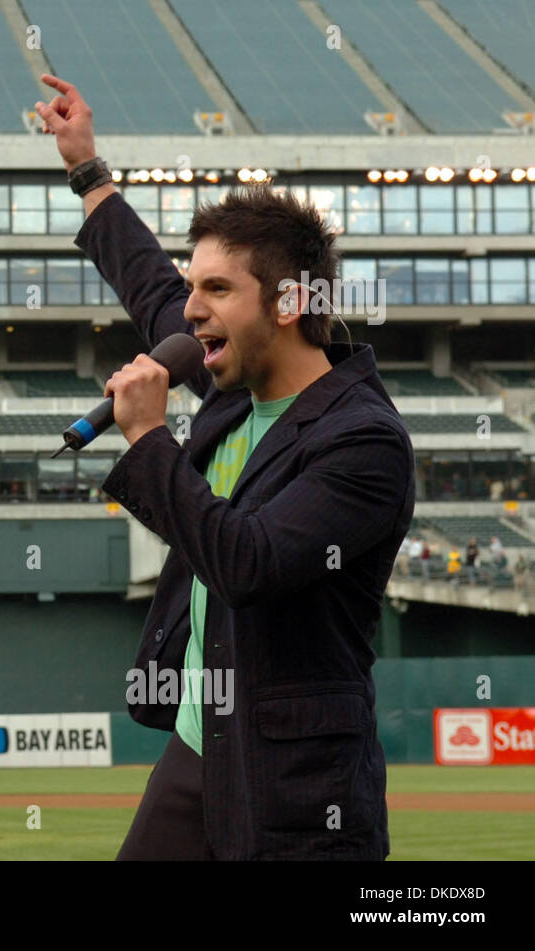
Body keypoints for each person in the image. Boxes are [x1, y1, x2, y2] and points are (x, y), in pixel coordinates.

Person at [37, 73, 413, 861]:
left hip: (296, 775)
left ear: (286, 304)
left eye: (215, 288)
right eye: (190, 286)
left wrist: (149, 441)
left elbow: (248, 561)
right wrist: (86, 170)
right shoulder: (230, 383)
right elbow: (145, 277)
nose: (190, 307)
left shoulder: (362, 440)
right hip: (198, 745)